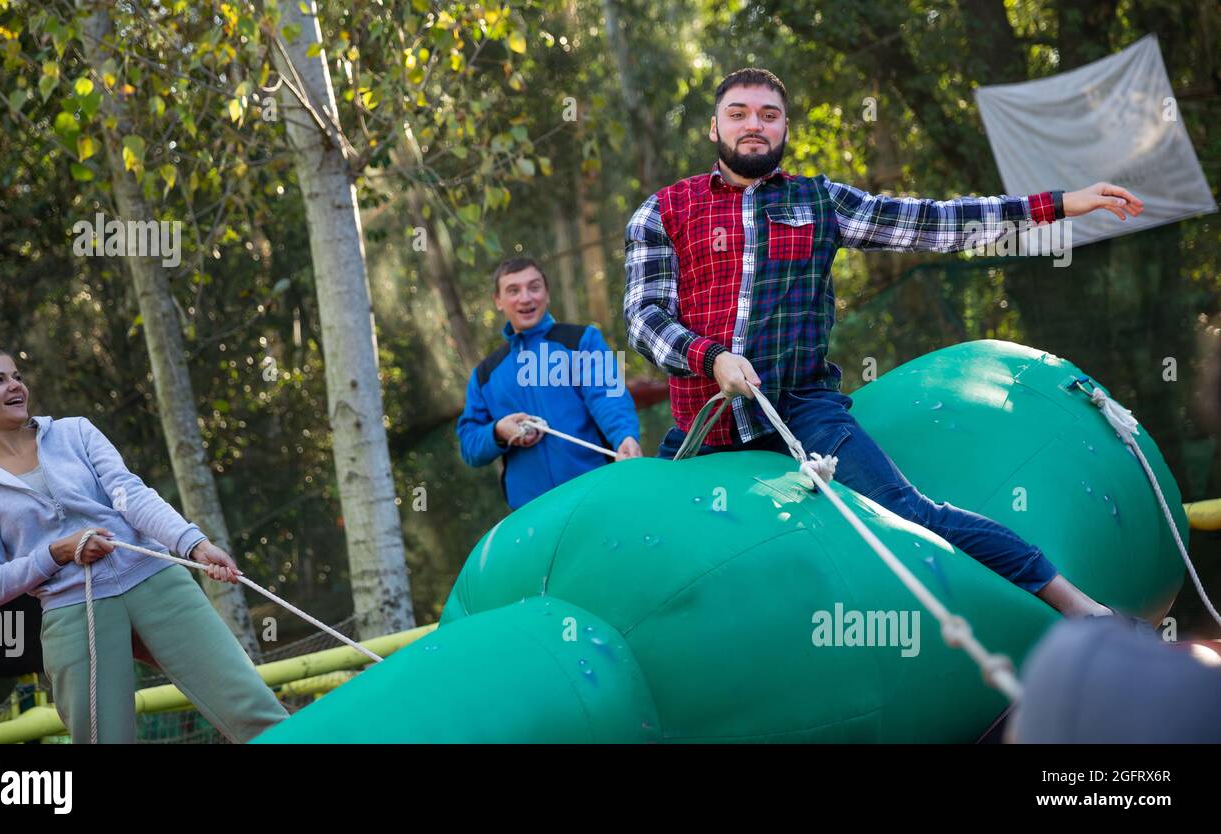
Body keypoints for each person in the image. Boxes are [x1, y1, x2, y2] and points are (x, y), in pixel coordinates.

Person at [624, 67, 1146, 617]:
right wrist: (711, 357)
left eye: (768, 115)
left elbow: (932, 222)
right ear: (714, 128)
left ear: (784, 128)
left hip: (804, 411)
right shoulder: (665, 211)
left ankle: (1084, 611)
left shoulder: (821, 202)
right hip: (704, 426)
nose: (753, 125)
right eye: (738, 114)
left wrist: (1059, 204)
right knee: (658, 556)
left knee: (907, 514)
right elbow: (643, 318)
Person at [0, 346, 290, 742]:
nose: (16, 386)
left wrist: (193, 544)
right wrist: (56, 553)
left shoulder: (75, 432)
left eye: (17, 376)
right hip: (73, 615)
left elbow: (130, 494)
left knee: (257, 714)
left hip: (158, 583)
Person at [457, 257, 642, 509]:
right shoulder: (485, 375)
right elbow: (469, 445)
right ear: (498, 301)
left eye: (534, 287)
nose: (525, 298)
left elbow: (607, 396)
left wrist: (624, 437)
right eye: (513, 290)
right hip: (531, 516)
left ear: (547, 293)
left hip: (596, 497)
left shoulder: (581, 341)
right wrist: (498, 432)